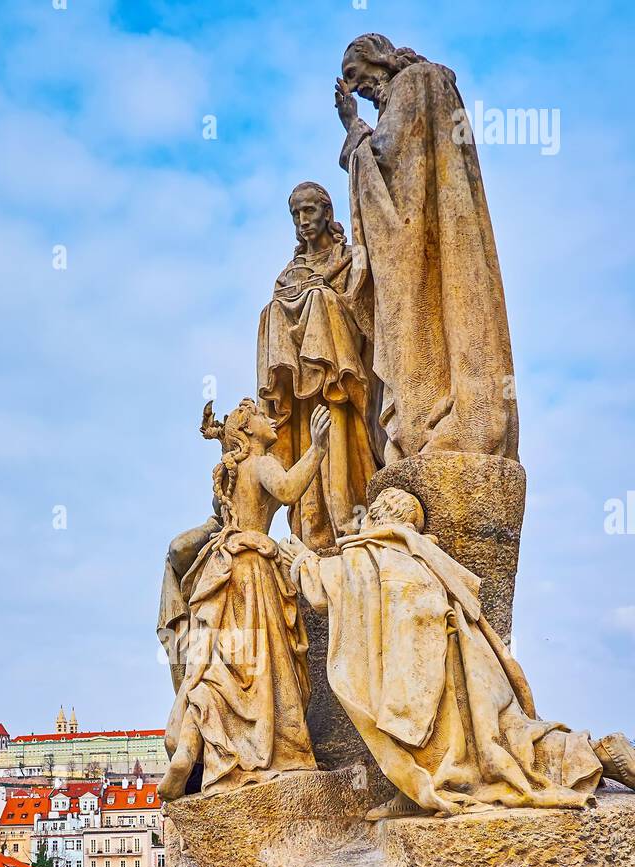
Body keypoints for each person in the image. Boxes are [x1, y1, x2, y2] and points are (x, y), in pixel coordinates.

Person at [286, 487, 635, 816]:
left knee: (489, 754)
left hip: (429, 673)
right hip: (464, 669)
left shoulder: (367, 555)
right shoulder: (422, 557)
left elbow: (320, 595)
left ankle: (598, 752)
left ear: (375, 515)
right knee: (505, 745)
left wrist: (301, 560)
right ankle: (593, 755)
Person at [335, 34, 519, 466]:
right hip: (424, 237)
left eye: (351, 73)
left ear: (375, 59)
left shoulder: (413, 83)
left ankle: (429, 425)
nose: (352, 87)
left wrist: (352, 127)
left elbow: (386, 161)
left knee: (420, 330)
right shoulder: (425, 85)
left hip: (418, 246)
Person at [159, 400, 330, 801]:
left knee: (217, 666)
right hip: (254, 568)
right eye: (260, 416)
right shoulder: (261, 461)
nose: (271, 419)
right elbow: (288, 491)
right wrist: (318, 448)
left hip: (223, 569)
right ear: (249, 433)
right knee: (265, 661)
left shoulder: (232, 475)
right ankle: (270, 748)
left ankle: (189, 748)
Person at [257, 182, 379, 552]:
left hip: (339, 382)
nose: (302, 221)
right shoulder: (288, 274)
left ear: (327, 212)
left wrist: (320, 298)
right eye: (295, 214)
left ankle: (349, 520)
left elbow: (367, 312)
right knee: (272, 310)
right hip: (299, 395)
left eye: (309, 211)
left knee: (320, 298)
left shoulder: (349, 259)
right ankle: (313, 529)